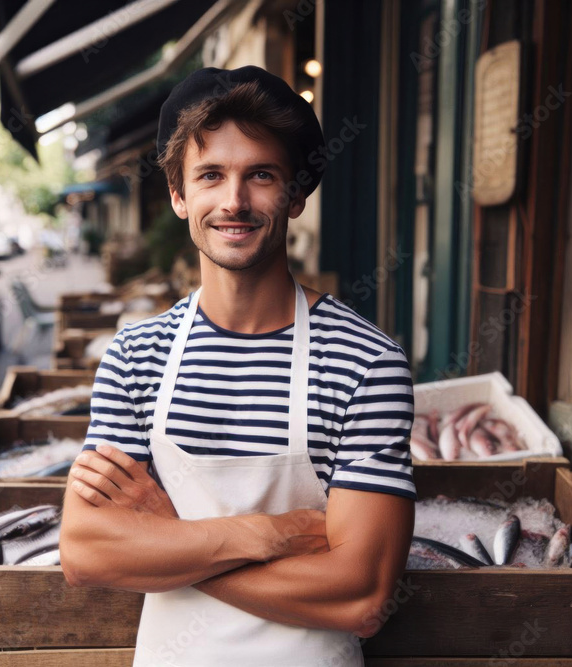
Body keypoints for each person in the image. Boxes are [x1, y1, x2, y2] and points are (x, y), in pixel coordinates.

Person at [59, 65, 415, 667]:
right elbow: (88, 554)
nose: (234, 201)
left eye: (262, 175)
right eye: (210, 176)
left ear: (296, 194)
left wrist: (169, 540)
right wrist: (266, 535)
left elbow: (362, 596)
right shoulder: (135, 357)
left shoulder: (366, 363)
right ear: (179, 196)